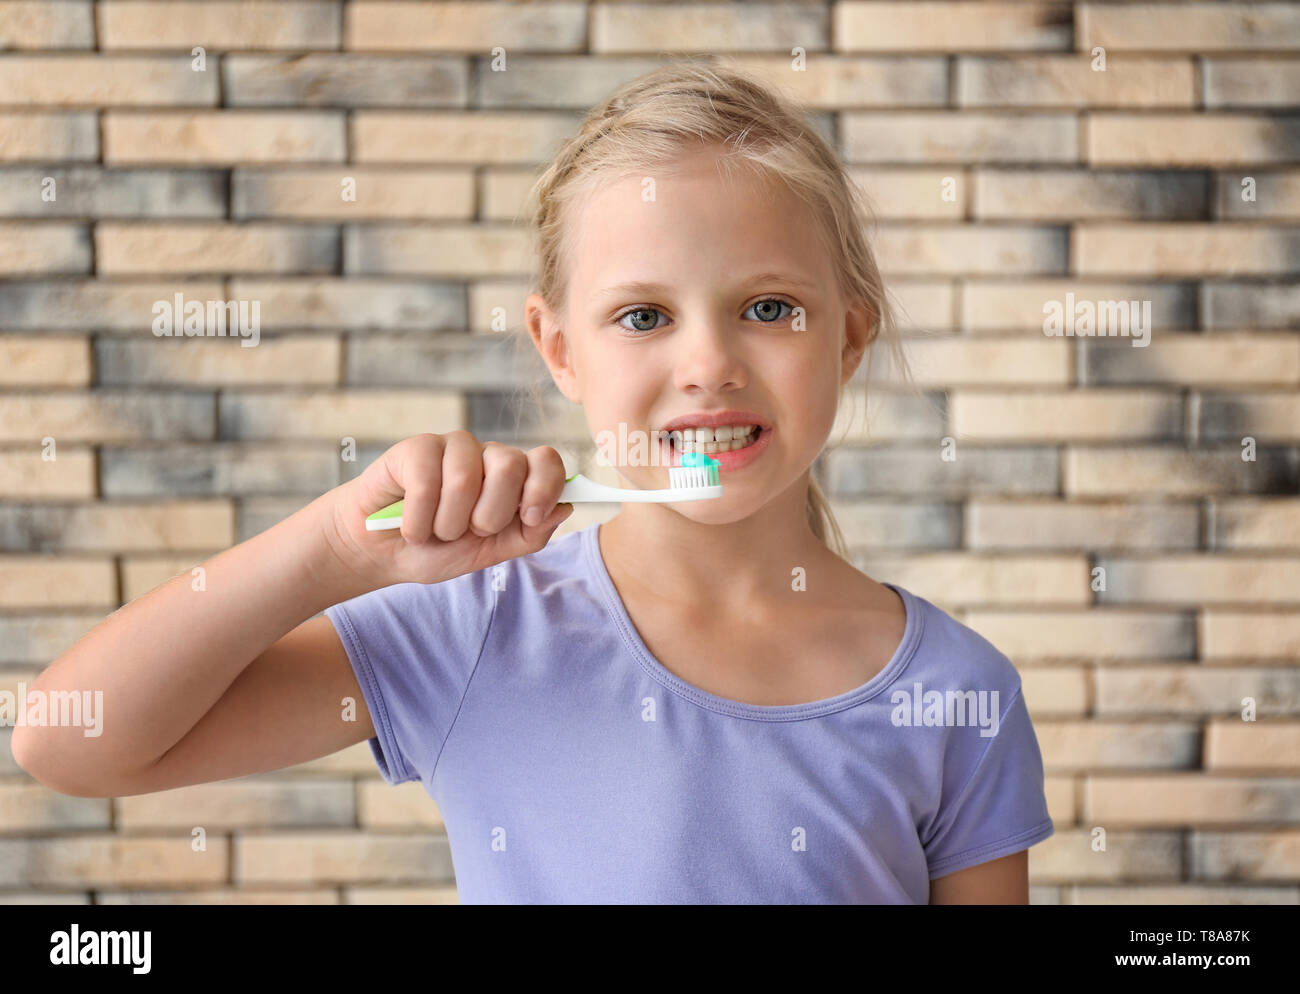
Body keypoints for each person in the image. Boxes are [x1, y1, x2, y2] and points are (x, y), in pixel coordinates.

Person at [13, 62, 1053, 904]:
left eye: (769, 307)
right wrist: (335, 548)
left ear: (849, 337)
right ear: (559, 351)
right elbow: (71, 739)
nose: (708, 365)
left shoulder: (957, 692)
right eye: (642, 316)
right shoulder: (471, 629)